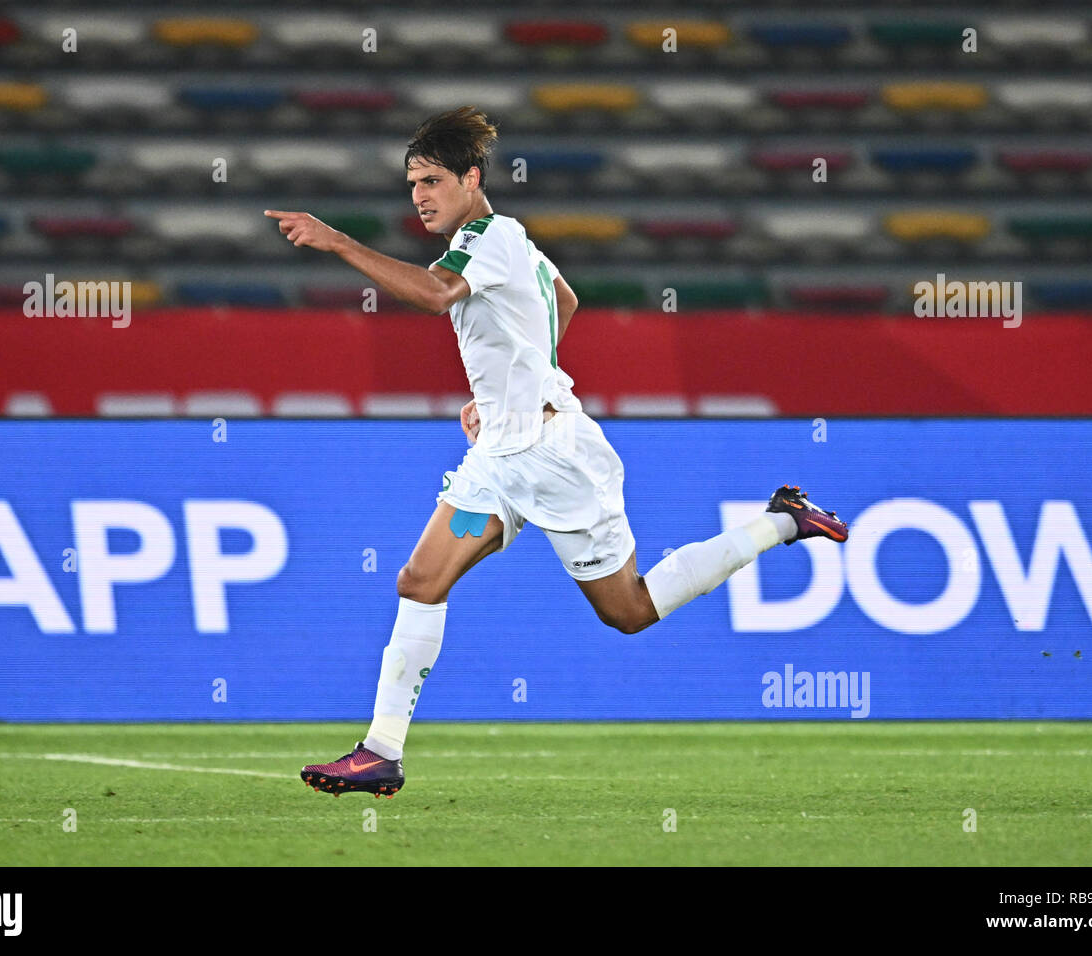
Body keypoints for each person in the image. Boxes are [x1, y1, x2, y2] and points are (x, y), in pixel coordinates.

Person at [264, 107, 849, 799]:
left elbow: (433, 293)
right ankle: (380, 753)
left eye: (430, 181)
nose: (418, 196)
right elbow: (562, 300)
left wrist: (335, 241)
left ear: (470, 178)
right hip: (501, 456)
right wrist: (514, 387)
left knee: (628, 611)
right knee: (420, 581)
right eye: (411, 183)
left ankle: (782, 520)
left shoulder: (492, 237)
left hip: (555, 457)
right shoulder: (506, 243)